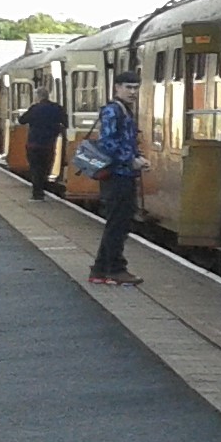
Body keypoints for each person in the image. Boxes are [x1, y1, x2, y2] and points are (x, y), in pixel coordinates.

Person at [89, 73, 145, 285]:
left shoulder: (122, 110)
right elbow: (108, 143)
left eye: (136, 87)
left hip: (122, 173)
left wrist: (137, 157)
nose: (133, 92)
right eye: (128, 87)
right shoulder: (114, 110)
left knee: (116, 223)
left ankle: (99, 270)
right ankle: (115, 269)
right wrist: (131, 160)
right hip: (117, 175)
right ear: (117, 87)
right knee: (118, 224)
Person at [17, 80, 67, 201]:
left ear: (38, 97)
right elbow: (66, 122)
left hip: (34, 144)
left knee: (35, 169)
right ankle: (42, 190)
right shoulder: (57, 108)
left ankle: (37, 194)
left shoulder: (34, 108)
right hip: (49, 144)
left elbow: (22, 120)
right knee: (45, 168)